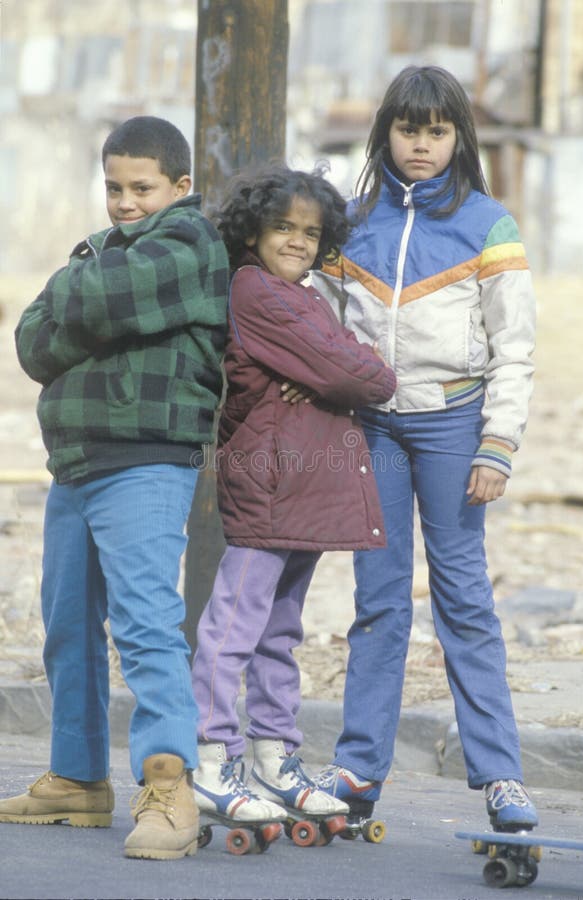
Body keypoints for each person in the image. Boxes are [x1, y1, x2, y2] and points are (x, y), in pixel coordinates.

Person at [309, 65, 539, 832]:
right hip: (373, 428)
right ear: (385, 133)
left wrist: (497, 443)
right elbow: (321, 327)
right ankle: (358, 768)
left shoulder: (489, 225)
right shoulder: (349, 221)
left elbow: (517, 348)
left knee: (464, 600)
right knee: (377, 603)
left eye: (437, 131)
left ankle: (501, 775)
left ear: (458, 137)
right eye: (408, 129)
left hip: (454, 429)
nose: (421, 144)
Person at [0, 116, 229, 860]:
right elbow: (33, 342)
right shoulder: (99, 253)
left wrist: (78, 293)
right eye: (113, 188)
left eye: (142, 188)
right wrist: (89, 298)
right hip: (76, 461)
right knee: (66, 624)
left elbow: (92, 303)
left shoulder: (191, 243)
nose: (125, 202)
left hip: (146, 458)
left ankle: (169, 785)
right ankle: (77, 778)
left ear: (181, 187)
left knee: (145, 624)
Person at [189, 164, 397, 830]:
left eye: (311, 233)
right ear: (254, 230)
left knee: (278, 631)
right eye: (283, 227)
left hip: (299, 489)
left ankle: (274, 759)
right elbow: (365, 375)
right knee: (234, 626)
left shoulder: (305, 295)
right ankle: (211, 760)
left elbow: (341, 366)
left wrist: (335, 366)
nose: (298, 242)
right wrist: (339, 367)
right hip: (269, 484)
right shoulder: (258, 292)